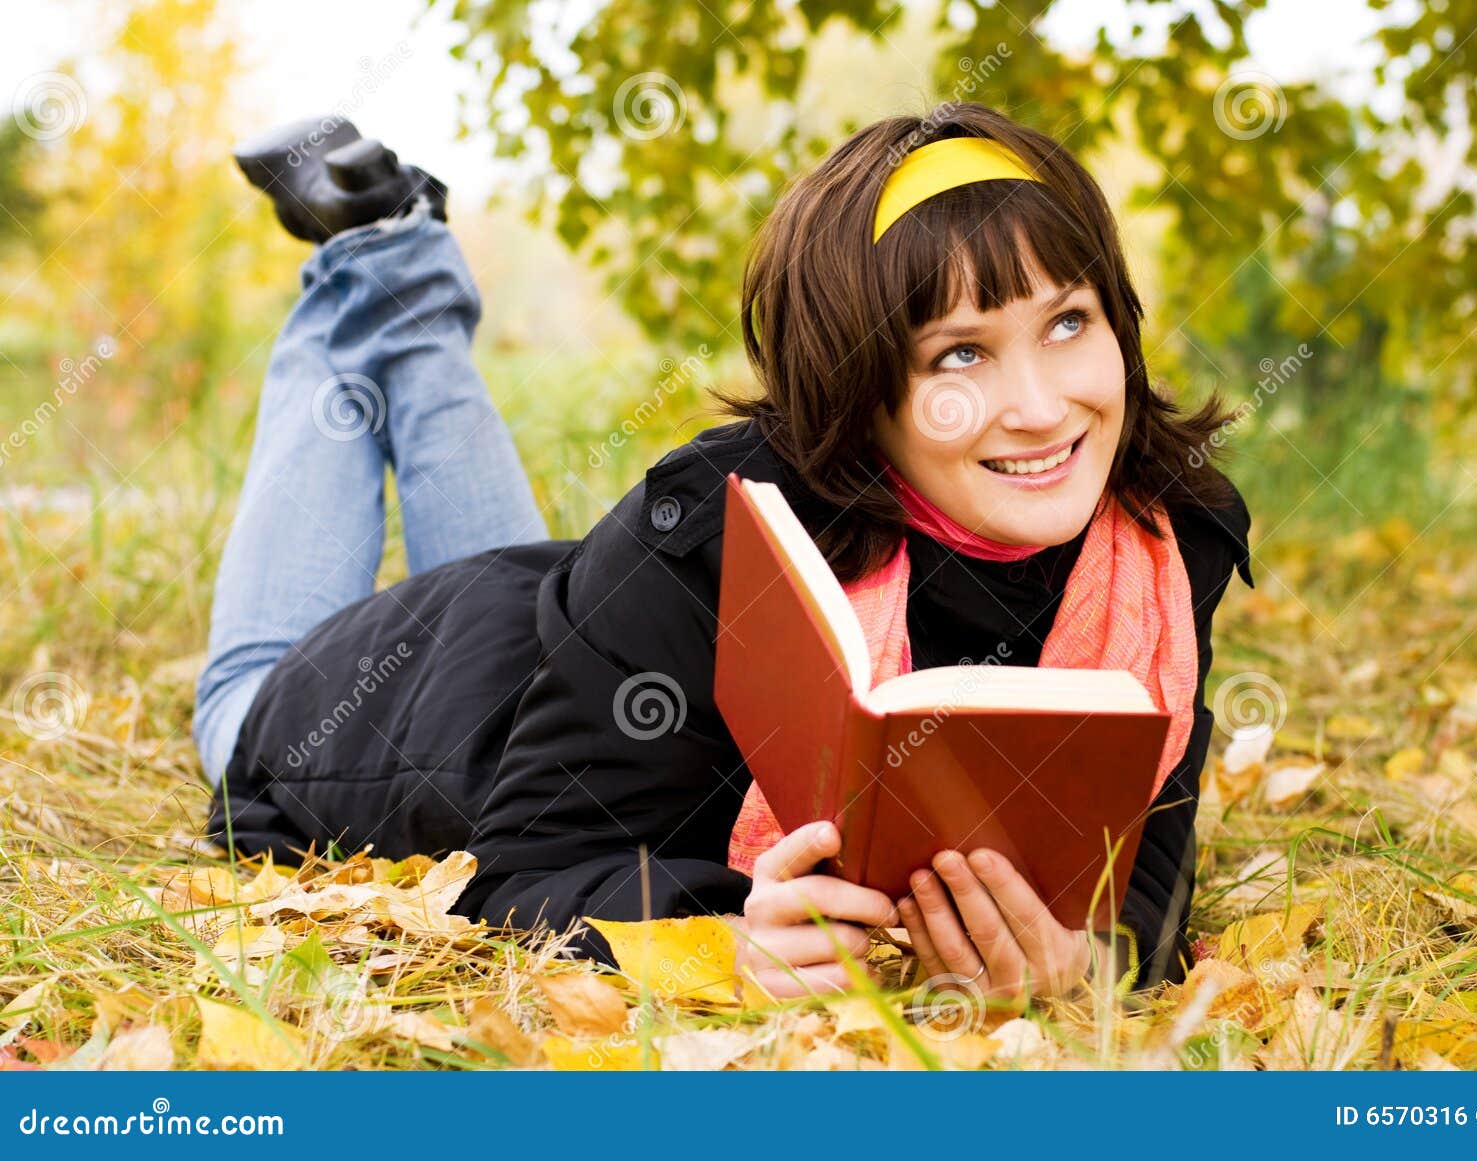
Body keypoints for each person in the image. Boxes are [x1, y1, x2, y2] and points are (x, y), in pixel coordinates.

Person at [197, 103, 1253, 1004]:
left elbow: (1145, 888)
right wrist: (730, 935)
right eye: (960, 353)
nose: (1041, 407)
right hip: (373, 709)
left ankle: (399, 245)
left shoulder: (1156, 550)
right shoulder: (712, 530)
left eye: (1067, 323)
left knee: (499, 528)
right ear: (860, 394)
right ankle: (370, 250)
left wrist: (1083, 961)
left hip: (557, 622)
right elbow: (522, 874)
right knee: (251, 660)